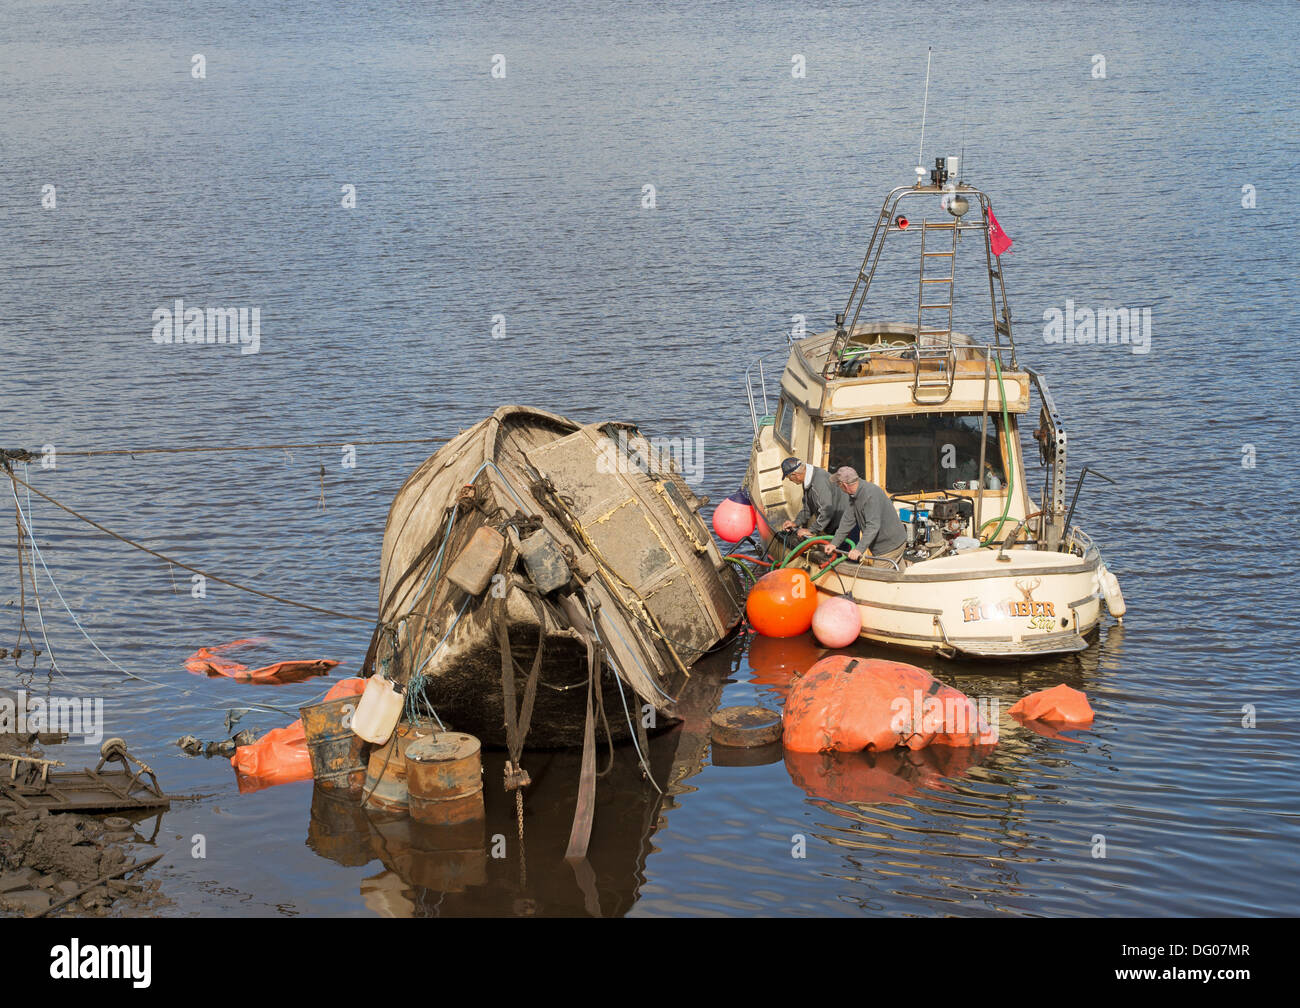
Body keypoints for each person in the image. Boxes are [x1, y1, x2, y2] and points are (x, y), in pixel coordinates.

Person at [833, 466, 908, 562]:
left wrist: (858, 550)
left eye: (838, 484)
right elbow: (848, 520)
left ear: (844, 485)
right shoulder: (854, 495)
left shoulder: (869, 494)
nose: (838, 487)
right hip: (891, 543)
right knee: (899, 575)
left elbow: (873, 526)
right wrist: (834, 543)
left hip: (890, 546)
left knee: (877, 576)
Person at [778, 457, 856, 550]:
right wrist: (795, 523)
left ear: (795, 475)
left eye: (789, 478)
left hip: (847, 523)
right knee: (837, 554)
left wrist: (811, 530)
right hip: (837, 524)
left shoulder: (818, 482)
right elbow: (808, 507)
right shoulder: (808, 479)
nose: (791, 481)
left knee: (846, 558)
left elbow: (827, 511)